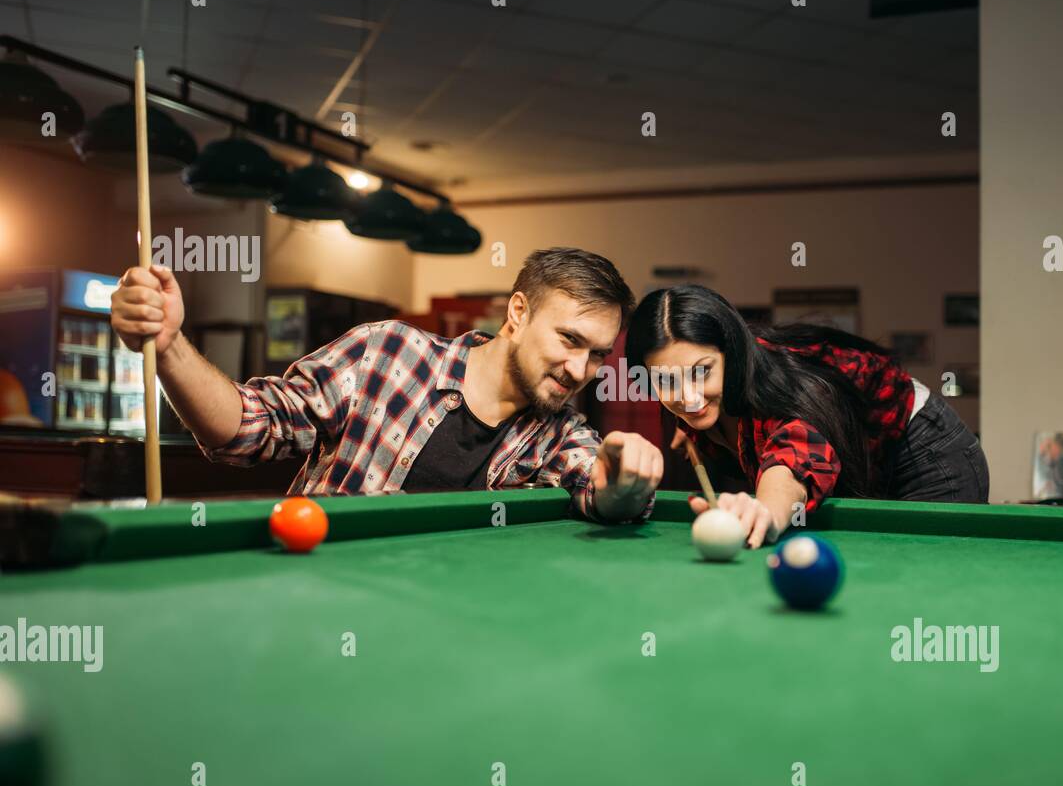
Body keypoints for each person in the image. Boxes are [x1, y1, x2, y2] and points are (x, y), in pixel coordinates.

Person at [111, 247, 663, 522]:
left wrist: (625, 479)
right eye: (569, 340)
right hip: (318, 602)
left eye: (596, 355)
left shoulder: (559, 434)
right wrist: (170, 346)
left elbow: (600, 490)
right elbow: (250, 429)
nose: (580, 370)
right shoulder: (385, 353)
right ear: (517, 313)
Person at [625, 284, 988, 548]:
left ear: (732, 356)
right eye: (666, 380)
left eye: (702, 372)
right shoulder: (701, 403)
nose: (687, 398)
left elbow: (796, 451)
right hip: (870, 457)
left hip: (925, 448)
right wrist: (694, 430)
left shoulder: (778, 389)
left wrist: (765, 509)